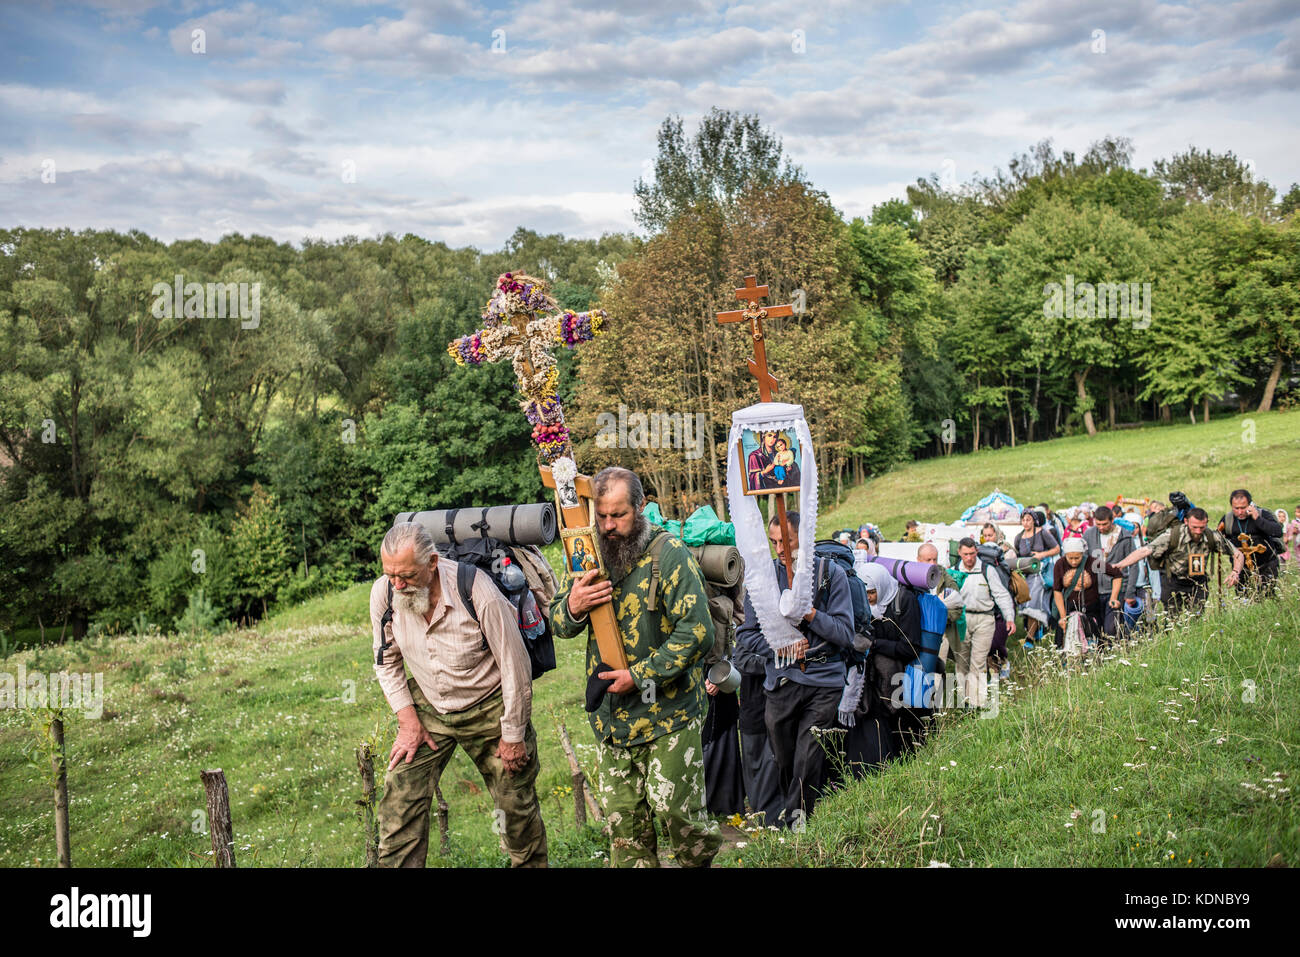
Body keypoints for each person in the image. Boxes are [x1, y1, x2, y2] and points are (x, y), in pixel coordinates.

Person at [550, 467, 721, 867]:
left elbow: (698, 632)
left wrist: (640, 675)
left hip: (670, 717)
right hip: (614, 724)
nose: (608, 526)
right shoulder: (585, 554)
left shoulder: (669, 554)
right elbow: (559, 622)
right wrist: (573, 606)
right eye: (602, 516)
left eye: (619, 515)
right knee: (625, 836)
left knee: (684, 824)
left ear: (641, 508)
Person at [371, 522, 547, 867]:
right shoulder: (386, 593)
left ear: (432, 563)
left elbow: (515, 666)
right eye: (390, 574)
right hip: (430, 708)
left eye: (406, 575)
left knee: (515, 811)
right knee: (399, 803)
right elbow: (385, 659)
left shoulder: (476, 589)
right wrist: (408, 721)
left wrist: (513, 734)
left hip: (491, 707)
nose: (397, 584)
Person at [733, 510, 856, 825]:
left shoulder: (832, 575)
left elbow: (845, 635)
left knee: (807, 757)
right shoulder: (763, 580)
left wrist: (811, 614)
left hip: (825, 680)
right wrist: (779, 647)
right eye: (774, 541)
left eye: (785, 541)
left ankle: (797, 823)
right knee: (784, 756)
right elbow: (746, 635)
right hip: (781, 682)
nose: (779, 549)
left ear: (805, 537)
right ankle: (795, 810)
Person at [1112, 508, 1243, 618]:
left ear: (1207, 523)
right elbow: (1144, 551)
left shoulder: (1211, 536)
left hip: (1198, 584)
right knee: (1172, 620)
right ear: (1186, 522)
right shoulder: (1172, 535)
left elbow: (1238, 554)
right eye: (1194, 527)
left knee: (1196, 620)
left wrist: (1235, 572)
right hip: (1173, 583)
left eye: (1202, 527)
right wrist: (1120, 564)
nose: (1198, 531)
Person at [948, 537, 1016, 707]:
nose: (969, 558)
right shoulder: (954, 571)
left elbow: (1001, 594)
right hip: (962, 619)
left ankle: (977, 702)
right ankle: (965, 700)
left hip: (985, 618)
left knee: (978, 662)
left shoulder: (987, 570)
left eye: (972, 554)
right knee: (961, 661)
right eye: (965, 554)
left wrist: (1010, 618)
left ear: (976, 552)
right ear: (959, 553)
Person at [1053, 537, 1125, 651]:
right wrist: (1063, 617)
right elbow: (1057, 591)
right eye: (1070, 558)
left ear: (1083, 553)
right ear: (1065, 555)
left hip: (1091, 610)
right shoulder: (1059, 564)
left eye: (1077, 558)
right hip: (1068, 610)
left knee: (1093, 644)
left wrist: (1113, 597)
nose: (1073, 561)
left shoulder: (1093, 562)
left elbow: (1116, 574)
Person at [1082, 505, 1139, 641]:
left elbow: (1134, 565)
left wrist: (1130, 592)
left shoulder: (1124, 537)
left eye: (1105, 524)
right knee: (1097, 628)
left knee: (1111, 628)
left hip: (1118, 588)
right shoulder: (1089, 535)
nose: (1101, 527)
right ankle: (1102, 654)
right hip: (1095, 589)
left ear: (1112, 520)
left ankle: (1119, 649)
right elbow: (1083, 560)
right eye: (1098, 524)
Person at [917, 543, 967, 692]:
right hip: (917, 632)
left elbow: (957, 609)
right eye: (928, 560)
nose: (932, 563)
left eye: (935, 559)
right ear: (918, 560)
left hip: (940, 634)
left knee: (936, 672)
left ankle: (935, 710)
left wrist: (938, 619)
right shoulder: (911, 578)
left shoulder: (947, 581)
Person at [1218, 489, 1285, 596]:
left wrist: (1257, 518)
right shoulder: (1227, 520)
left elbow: (1277, 532)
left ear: (1250, 505)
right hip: (1242, 569)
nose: (1239, 512)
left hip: (1266, 565)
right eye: (1236, 508)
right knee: (1243, 599)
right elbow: (1220, 541)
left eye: (1243, 508)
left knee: (1266, 597)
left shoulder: (1263, 514)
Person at [1014, 509, 1059, 649]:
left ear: (1033, 520)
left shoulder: (1043, 533)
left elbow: (1057, 548)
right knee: (1025, 603)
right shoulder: (1019, 537)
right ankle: (1035, 630)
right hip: (1025, 574)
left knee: (1033, 603)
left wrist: (1042, 555)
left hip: (1040, 573)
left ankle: (1030, 638)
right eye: (1023, 520)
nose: (1026, 523)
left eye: (1028, 520)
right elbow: (1016, 554)